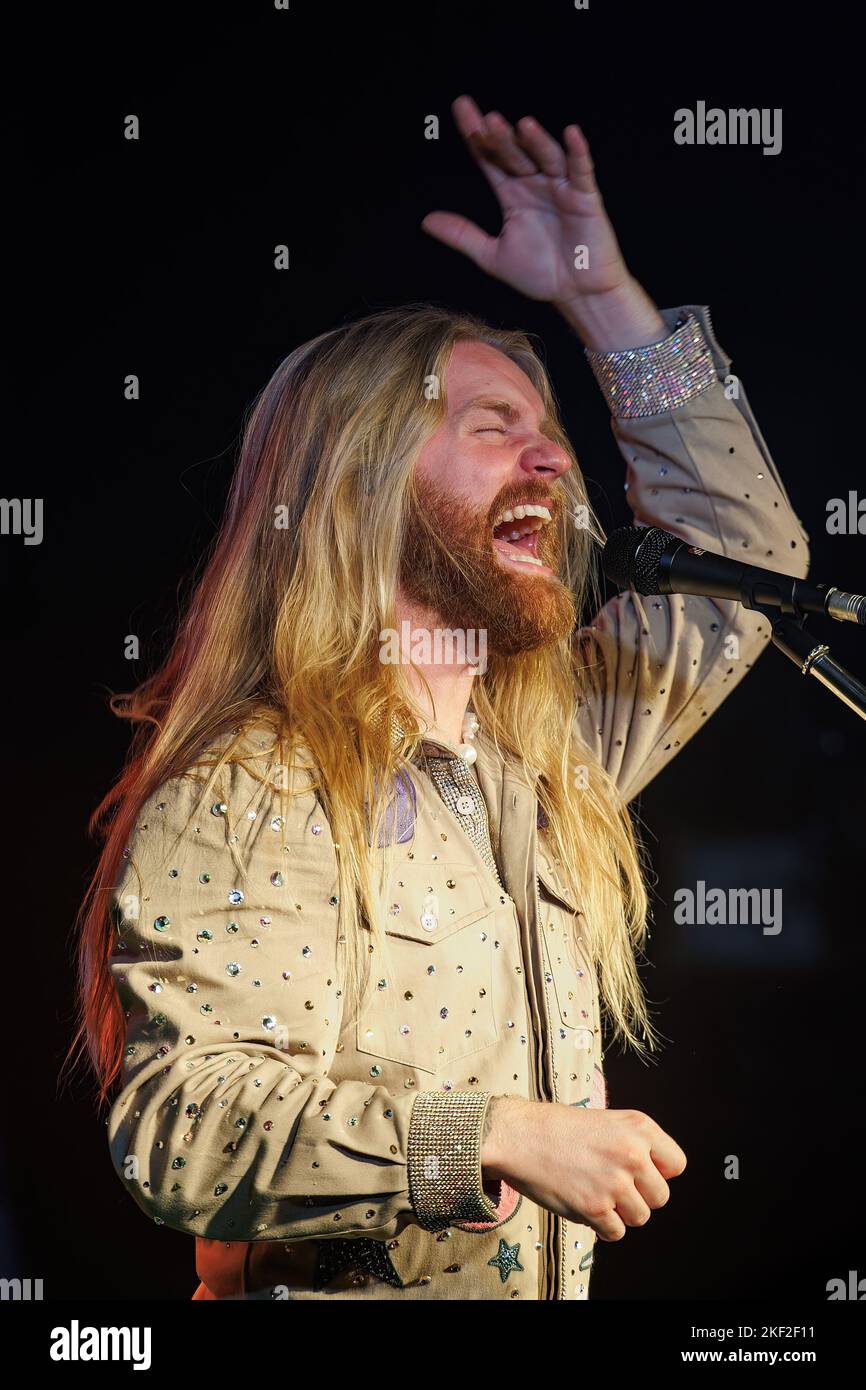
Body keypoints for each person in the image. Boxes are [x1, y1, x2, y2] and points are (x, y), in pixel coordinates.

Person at [68, 95, 810, 1299]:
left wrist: (601, 302)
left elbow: (751, 564)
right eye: (490, 425)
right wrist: (491, 1134)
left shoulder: (544, 754)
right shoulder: (254, 778)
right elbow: (178, 1125)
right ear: (361, 485)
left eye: (548, 429)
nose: (554, 460)